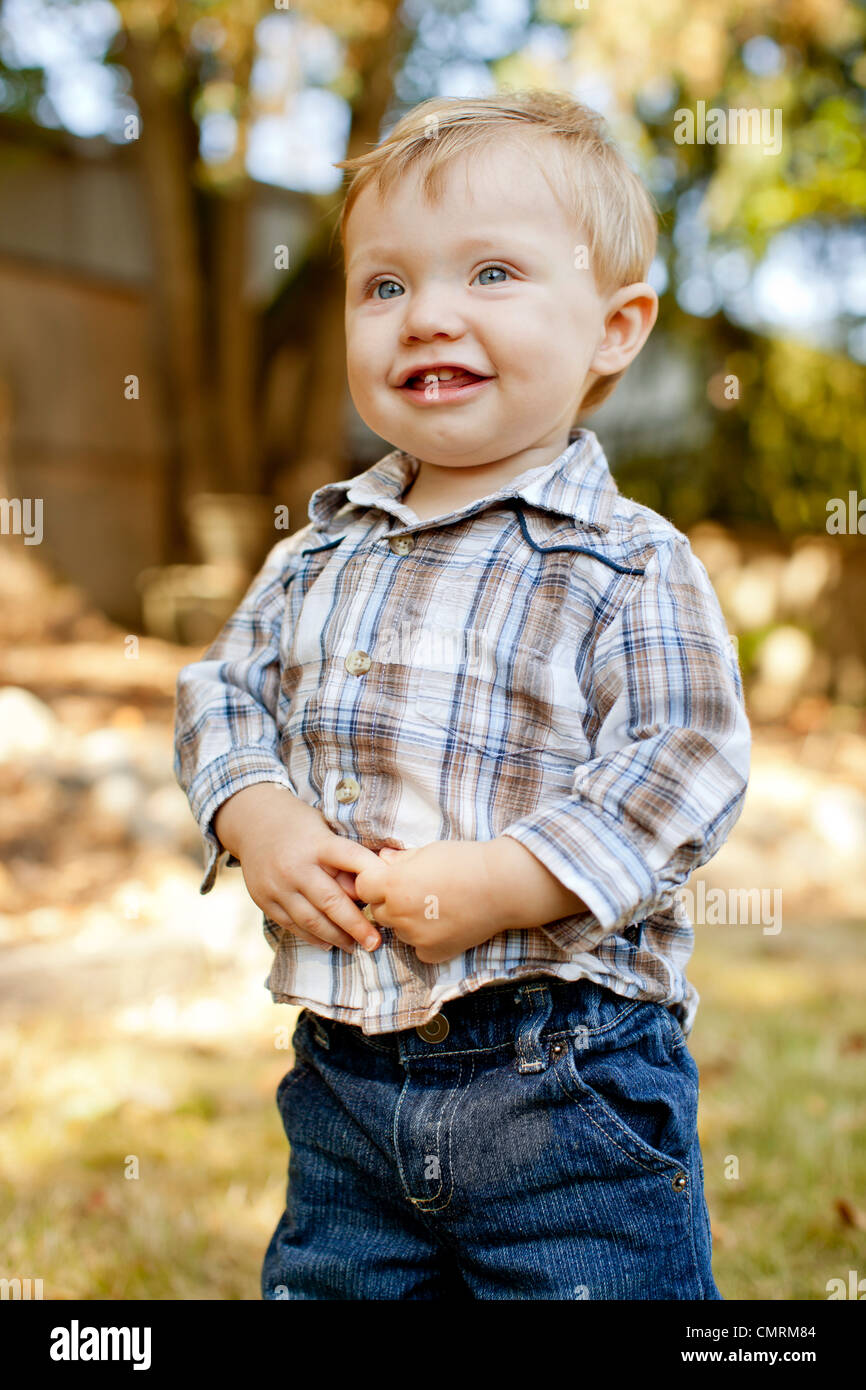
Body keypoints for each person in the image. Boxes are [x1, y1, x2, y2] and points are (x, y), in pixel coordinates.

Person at [173, 90, 751, 1300]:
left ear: (613, 326)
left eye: (490, 273)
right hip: (344, 1082)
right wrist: (258, 817)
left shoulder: (627, 561)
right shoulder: (316, 553)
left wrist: (505, 880)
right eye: (383, 286)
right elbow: (221, 692)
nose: (425, 313)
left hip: (566, 1085)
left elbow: (683, 756)